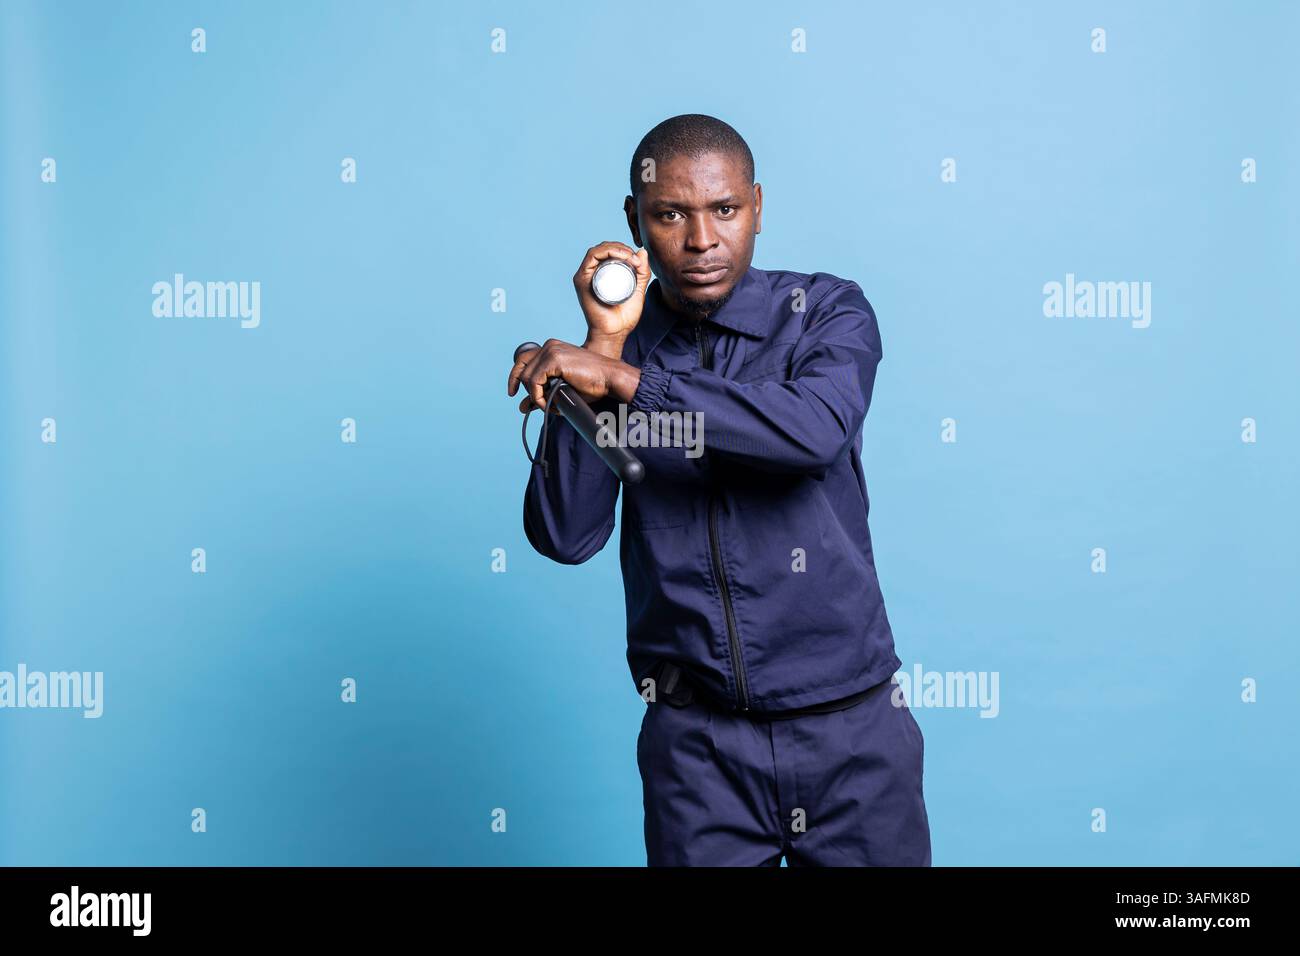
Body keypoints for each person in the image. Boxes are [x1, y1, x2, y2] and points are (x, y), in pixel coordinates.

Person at [507, 114, 931, 866]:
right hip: (695, 750)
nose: (702, 240)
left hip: (851, 735)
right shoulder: (614, 352)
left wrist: (628, 381)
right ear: (635, 221)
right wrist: (602, 346)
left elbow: (810, 433)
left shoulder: (825, 313)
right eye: (670, 215)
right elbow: (566, 536)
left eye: (724, 210)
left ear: (758, 208)